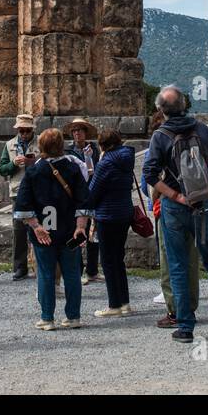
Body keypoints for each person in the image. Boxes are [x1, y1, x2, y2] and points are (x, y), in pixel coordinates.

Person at [143, 85, 208, 343]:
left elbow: (149, 174)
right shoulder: (202, 129)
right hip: (203, 206)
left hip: (176, 209)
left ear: (161, 110)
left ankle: (186, 327)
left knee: (177, 265)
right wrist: (207, 186)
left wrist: (176, 195)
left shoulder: (160, 136)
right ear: (185, 105)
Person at [14, 128, 92, 330]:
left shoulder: (34, 171)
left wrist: (36, 227)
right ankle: (73, 317)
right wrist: (80, 227)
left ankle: (47, 318)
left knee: (46, 274)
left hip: (44, 232)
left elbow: (23, 204)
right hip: (68, 230)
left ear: (41, 146)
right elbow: (83, 201)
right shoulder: (73, 168)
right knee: (72, 274)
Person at [144, 109, 199, 327]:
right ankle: (191, 306)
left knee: (170, 261)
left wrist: (167, 195)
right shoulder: (195, 139)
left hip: (169, 207)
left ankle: (176, 310)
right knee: (191, 259)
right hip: (194, 204)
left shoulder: (160, 144)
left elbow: (152, 179)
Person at [88, 128, 136, 317]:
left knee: (108, 260)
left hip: (107, 215)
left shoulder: (106, 162)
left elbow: (93, 192)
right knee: (119, 259)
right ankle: (125, 303)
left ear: (103, 145)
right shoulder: (127, 159)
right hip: (124, 213)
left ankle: (114, 304)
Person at [0, 113, 38, 280]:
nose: (24, 134)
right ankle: (20, 267)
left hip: (38, 190)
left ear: (32, 130)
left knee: (39, 229)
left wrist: (35, 162)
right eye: (21, 131)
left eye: (27, 131)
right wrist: (14, 164)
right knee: (19, 231)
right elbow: (2, 169)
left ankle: (40, 266)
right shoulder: (9, 145)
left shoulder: (41, 142)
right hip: (18, 191)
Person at [66, 117, 104, 284]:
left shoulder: (94, 150)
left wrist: (89, 158)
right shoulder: (68, 152)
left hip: (92, 193)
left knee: (93, 233)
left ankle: (92, 270)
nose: (76, 133)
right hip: (76, 196)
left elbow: (97, 170)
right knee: (78, 232)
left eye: (79, 130)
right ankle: (79, 270)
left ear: (85, 132)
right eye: (74, 131)